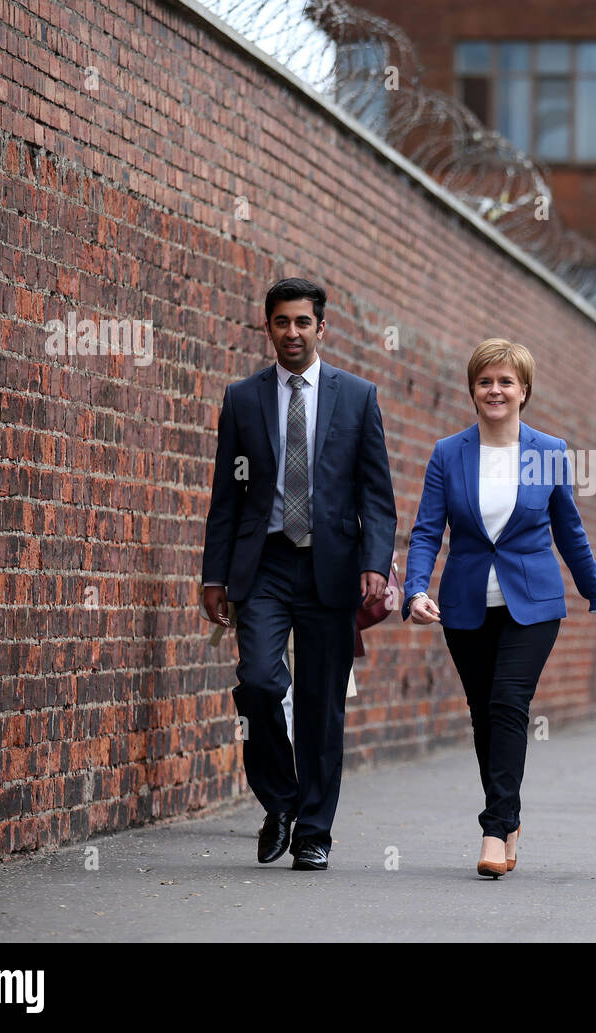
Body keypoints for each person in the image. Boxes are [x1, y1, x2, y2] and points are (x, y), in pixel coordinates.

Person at [403, 338, 596, 878]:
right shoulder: (448, 453)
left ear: (524, 390)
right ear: (472, 391)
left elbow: (570, 533)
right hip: (465, 604)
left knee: (506, 704)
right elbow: (428, 529)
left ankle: (495, 826)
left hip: (533, 604)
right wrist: (415, 588)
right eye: (485, 381)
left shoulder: (547, 450)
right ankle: (510, 815)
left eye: (505, 381)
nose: (494, 390)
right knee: (484, 715)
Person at [201, 278, 397, 870]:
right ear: (268, 328)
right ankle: (280, 800)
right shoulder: (242, 400)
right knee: (260, 682)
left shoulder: (357, 397)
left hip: (330, 569)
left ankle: (314, 831)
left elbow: (377, 495)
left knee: (320, 705)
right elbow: (227, 497)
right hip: (263, 565)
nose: (292, 332)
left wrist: (373, 565)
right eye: (281, 322)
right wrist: (214, 576)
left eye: (302, 322)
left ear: (321, 327)